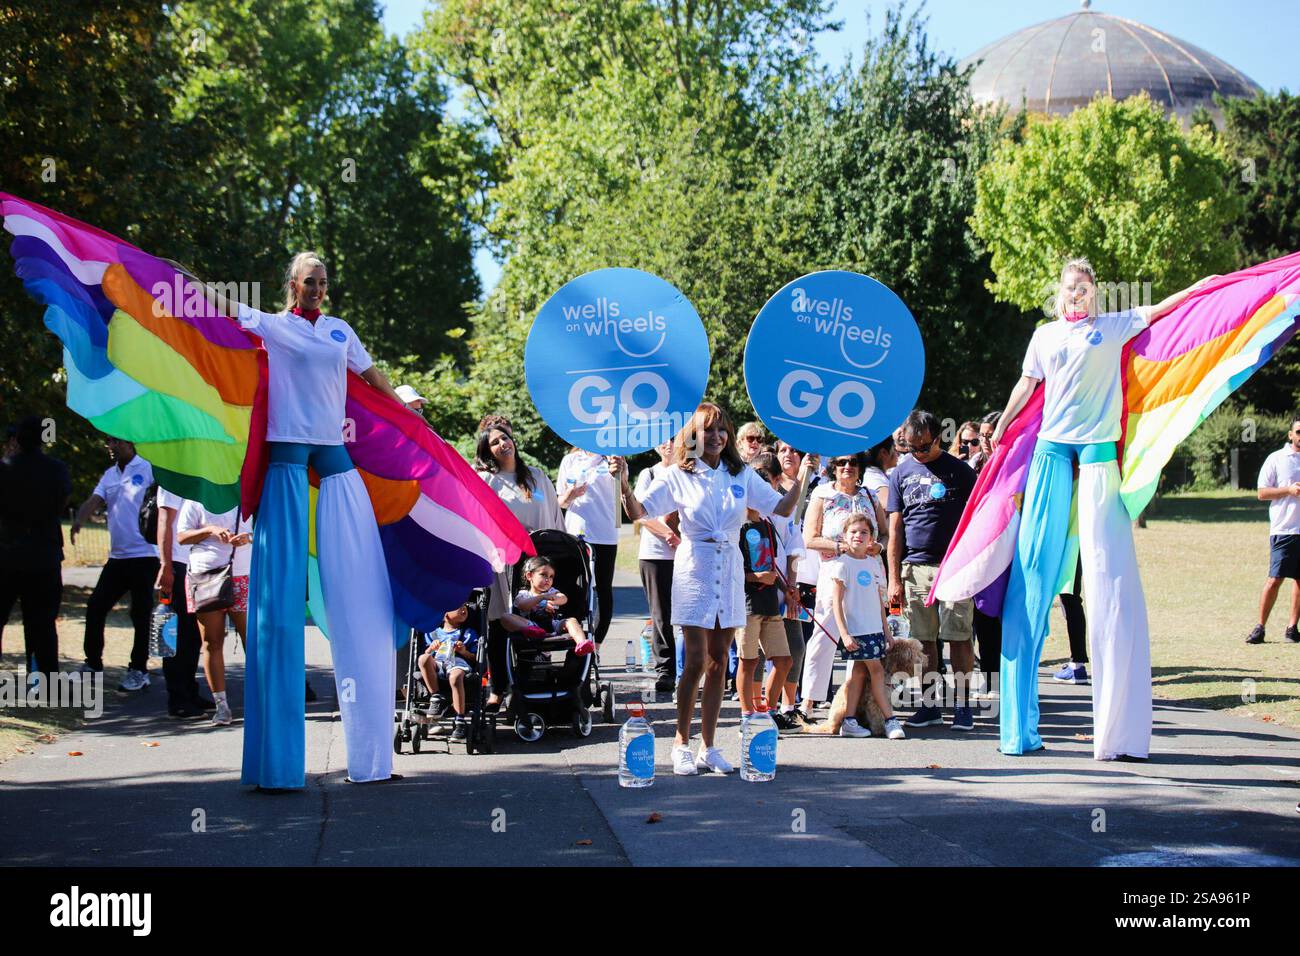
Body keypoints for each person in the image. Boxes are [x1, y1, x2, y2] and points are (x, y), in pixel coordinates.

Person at [988, 257, 1215, 758]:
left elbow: (1160, 311)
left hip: (1096, 449)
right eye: (1071, 288)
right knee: (1031, 577)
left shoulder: (1112, 326)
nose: (1078, 295)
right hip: (1051, 448)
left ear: (1096, 293)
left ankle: (1118, 732)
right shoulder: (1045, 337)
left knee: (1108, 573)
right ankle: (1019, 732)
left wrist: (1200, 286)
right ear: (1060, 293)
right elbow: (1027, 386)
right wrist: (1003, 425)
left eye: (1086, 288)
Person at [223, 251, 414, 787]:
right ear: (291, 285)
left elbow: (374, 377)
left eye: (323, 283)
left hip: (333, 455)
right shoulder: (275, 327)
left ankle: (373, 759)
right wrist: (181, 284)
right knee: (278, 608)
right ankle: (276, 768)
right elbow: (224, 308)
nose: (317, 290)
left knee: (359, 588)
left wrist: (403, 410)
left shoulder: (338, 331)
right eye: (309, 282)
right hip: (286, 454)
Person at [613, 403, 815, 776]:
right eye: (709, 430)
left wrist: (802, 473)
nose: (718, 437)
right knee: (695, 660)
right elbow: (639, 510)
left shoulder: (740, 474)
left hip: (731, 569)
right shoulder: (677, 474)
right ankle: (680, 743)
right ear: (694, 435)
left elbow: (783, 508)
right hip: (695, 567)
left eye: (722, 430)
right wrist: (623, 482)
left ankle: (708, 746)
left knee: (720, 659)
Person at [886, 410, 977, 731]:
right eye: (910, 447)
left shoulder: (961, 472)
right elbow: (895, 530)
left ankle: (964, 707)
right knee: (924, 643)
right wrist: (894, 578)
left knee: (959, 638)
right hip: (915, 568)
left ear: (938, 438)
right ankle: (929, 706)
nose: (917, 453)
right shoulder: (899, 474)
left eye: (923, 447)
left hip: (955, 568)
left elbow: (977, 521)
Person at [474, 422, 565, 708]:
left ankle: (530, 683)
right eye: (494, 442)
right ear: (487, 451)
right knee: (500, 621)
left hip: (535, 561)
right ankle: (498, 688)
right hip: (501, 562)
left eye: (505, 438)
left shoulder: (537, 477)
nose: (503, 443)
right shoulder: (487, 480)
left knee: (537, 618)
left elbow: (554, 520)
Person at [799, 452, 885, 723]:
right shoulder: (822, 494)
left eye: (853, 463)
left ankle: (852, 705)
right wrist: (841, 547)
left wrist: (877, 546)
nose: (847, 467)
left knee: (865, 630)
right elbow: (809, 538)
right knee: (824, 631)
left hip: (865, 573)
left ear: (860, 468)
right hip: (834, 569)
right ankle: (808, 701)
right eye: (841, 463)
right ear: (832, 468)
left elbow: (884, 530)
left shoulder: (869, 495)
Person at [71, 437, 160, 691]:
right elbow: (94, 500)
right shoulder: (110, 475)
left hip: (144, 555)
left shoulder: (147, 468)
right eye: (108, 442)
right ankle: (92, 664)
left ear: (130, 443)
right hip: (118, 558)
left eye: (115, 442)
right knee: (96, 606)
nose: (110, 446)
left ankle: (138, 670)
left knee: (141, 614)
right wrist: (79, 519)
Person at [821, 513, 906, 740]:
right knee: (876, 670)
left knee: (859, 673)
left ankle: (849, 720)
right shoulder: (841, 565)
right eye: (854, 532)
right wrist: (845, 633)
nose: (858, 536)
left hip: (874, 629)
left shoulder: (872, 564)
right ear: (845, 536)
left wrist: (886, 632)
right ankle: (890, 720)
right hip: (856, 631)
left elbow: (878, 601)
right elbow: (836, 603)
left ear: (872, 538)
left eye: (864, 532)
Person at [0, 416, 70, 681]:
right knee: (42, 624)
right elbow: (62, 503)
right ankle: (48, 682)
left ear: (17, 438)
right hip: (44, 554)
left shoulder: (4, 468)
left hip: (7, 553)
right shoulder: (57, 469)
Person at [177, 498, 252, 726]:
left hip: (242, 573)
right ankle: (221, 707)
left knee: (252, 640)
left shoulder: (244, 492)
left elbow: (265, 530)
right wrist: (210, 530)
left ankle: (262, 701)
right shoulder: (196, 497)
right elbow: (181, 536)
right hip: (206, 575)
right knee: (212, 641)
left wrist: (248, 538)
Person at [753, 451, 807, 729]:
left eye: (766, 477)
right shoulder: (745, 511)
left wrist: (793, 586)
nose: (761, 483)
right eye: (756, 476)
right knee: (755, 654)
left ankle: (785, 707)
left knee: (793, 649)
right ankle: (754, 710)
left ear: (776, 480)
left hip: (784, 589)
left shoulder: (783, 511)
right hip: (755, 590)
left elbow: (794, 550)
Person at [736, 492, 793, 720]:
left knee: (784, 661)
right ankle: (747, 715)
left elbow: (772, 567)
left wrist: (785, 587)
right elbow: (731, 570)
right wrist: (756, 577)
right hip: (748, 604)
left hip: (770, 602)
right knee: (748, 661)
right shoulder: (737, 527)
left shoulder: (768, 527)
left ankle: (767, 712)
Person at [1245, 417, 1300, 644]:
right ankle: (1260, 627)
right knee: (1275, 578)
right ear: (1290, 434)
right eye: (1299, 431)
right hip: (1284, 529)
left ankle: (1292, 628)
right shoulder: (1276, 459)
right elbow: (1262, 493)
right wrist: (1288, 489)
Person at [556, 446, 619, 646]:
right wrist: (570, 495)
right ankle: (578, 641)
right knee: (574, 589)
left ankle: (597, 645)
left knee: (603, 589)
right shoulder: (570, 460)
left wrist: (619, 471)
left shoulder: (613, 458)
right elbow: (560, 503)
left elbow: (622, 493)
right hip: (575, 533)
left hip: (605, 534)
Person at [156, 488, 207, 719]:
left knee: (193, 635)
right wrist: (165, 565)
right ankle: (177, 698)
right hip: (176, 565)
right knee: (175, 634)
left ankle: (190, 691)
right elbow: (165, 521)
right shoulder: (169, 480)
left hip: (196, 565)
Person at [634, 438, 680, 693]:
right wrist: (669, 535)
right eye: (664, 440)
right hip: (655, 554)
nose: (669, 445)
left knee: (688, 614)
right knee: (661, 614)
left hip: (688, 555)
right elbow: (640, 514)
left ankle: (689, 666)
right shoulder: (649, 473)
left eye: (674, 439)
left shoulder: (691, 470)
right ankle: (666, 669)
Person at [418, 602, 479, 741]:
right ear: (445, 615)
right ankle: (436, 697)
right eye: (459, 606)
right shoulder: (432, 633)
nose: (464, 608)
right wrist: (430, 649)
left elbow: (474, 658)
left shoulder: (468, 633)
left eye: (465, 606)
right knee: (423, 659)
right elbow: (426, 654)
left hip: (457, 663)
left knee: (456, 676)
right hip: (438, 663)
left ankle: (460, 720)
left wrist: (464, 651)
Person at [515, 555, 595, 654]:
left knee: (571, 621)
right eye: (543, 575)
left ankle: (582, 643)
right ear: (529, 576)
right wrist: (542, 599)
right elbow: (522, 605)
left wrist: (552, 600)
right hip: (531, 626)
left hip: (553, 625)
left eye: (551, 576)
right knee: (506, 617)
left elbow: (563, 598)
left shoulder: (552, 592)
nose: (548, 579)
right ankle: (533, 631)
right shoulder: (524, 594)